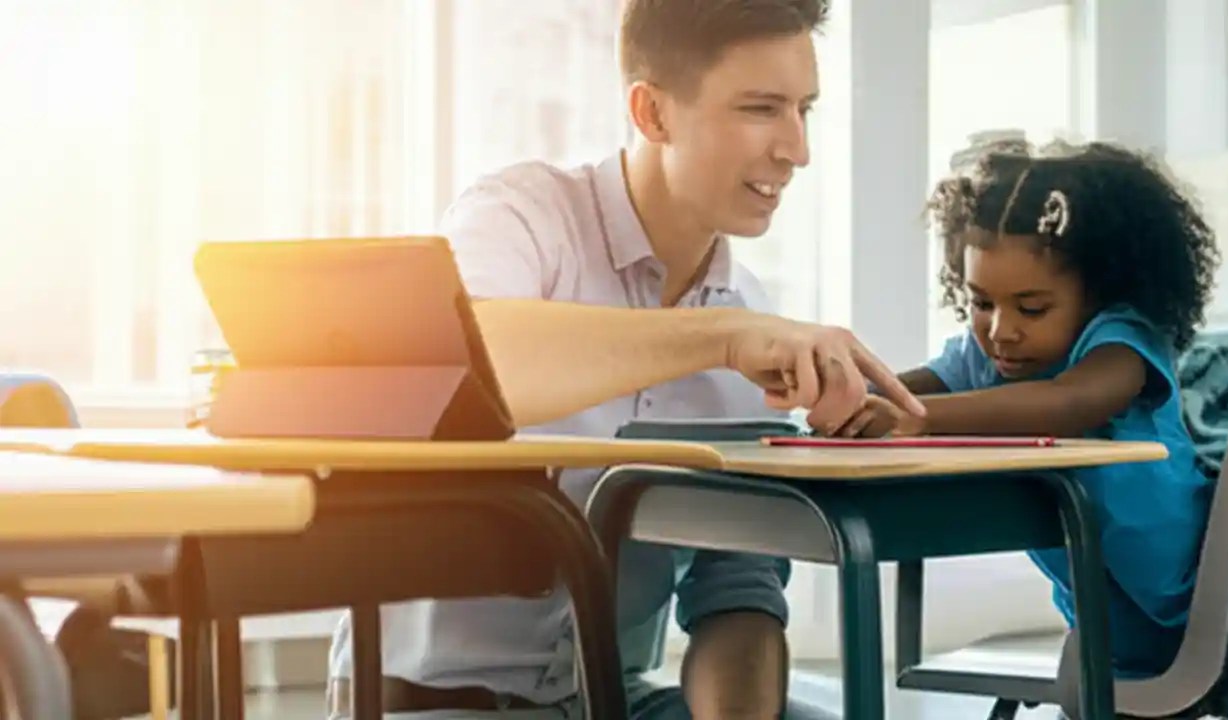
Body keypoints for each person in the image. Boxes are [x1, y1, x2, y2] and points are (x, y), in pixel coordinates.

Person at [328, 1, 924, 718]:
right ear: (653, 113)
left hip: (608, 702)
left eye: (805, 110)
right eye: (761, 109)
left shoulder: (751, 322)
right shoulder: (521, 217)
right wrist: (723, 337)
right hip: (430, 704)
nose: (797, 150)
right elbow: (472, 370)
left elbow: (736, 595)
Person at [841, 137, 1221, 677]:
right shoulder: (988, 355)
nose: (1001, 330)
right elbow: (902, 394)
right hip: (1099, 623)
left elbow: (1068, 404)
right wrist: (846, 391)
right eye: (980, 302)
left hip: (1190, 612)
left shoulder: (1121, 343)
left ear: (1100, 291)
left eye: (1032, 308)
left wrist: (919, 419)